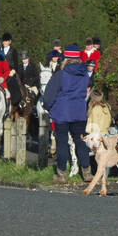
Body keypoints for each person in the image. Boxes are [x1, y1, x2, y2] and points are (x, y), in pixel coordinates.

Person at [43, 44, 92, 183]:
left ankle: (61, 174)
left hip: (62, 112)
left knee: (62, 143)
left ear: (66, 58)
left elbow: (48, 96)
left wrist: (49, 107)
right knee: (81, 142)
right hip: (79, 112)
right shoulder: (85, 75)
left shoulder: (60, 75)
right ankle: (87, 173)